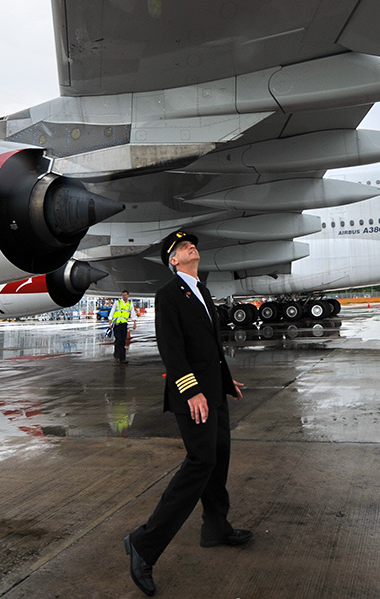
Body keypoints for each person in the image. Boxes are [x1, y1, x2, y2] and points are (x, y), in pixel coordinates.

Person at [125, 230, 250, 597]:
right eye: (182, 247)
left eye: (191, 244)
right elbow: (172, 348)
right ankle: (144, 544)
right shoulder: (169, 294)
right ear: (174, 261)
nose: (191, 247)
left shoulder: (202, 291)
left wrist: (225, 381)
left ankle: (216, 527)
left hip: (214, 392)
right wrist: (191, 390)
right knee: (200, 462)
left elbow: (209, 346)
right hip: (193, 395)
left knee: (219, 457)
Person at [109, 291, 135, 363]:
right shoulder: (117, 302)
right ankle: (116, 356)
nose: (124, 296)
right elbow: (112, 311)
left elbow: (133, 313)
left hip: (124, 324)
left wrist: (134, 322)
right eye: (123, 295)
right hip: (117, 324)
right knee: (118, 340)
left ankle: (122, 358)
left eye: (125, 295)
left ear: (128, 295)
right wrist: (110, 321)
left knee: (123, 341)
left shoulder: (130, 304)